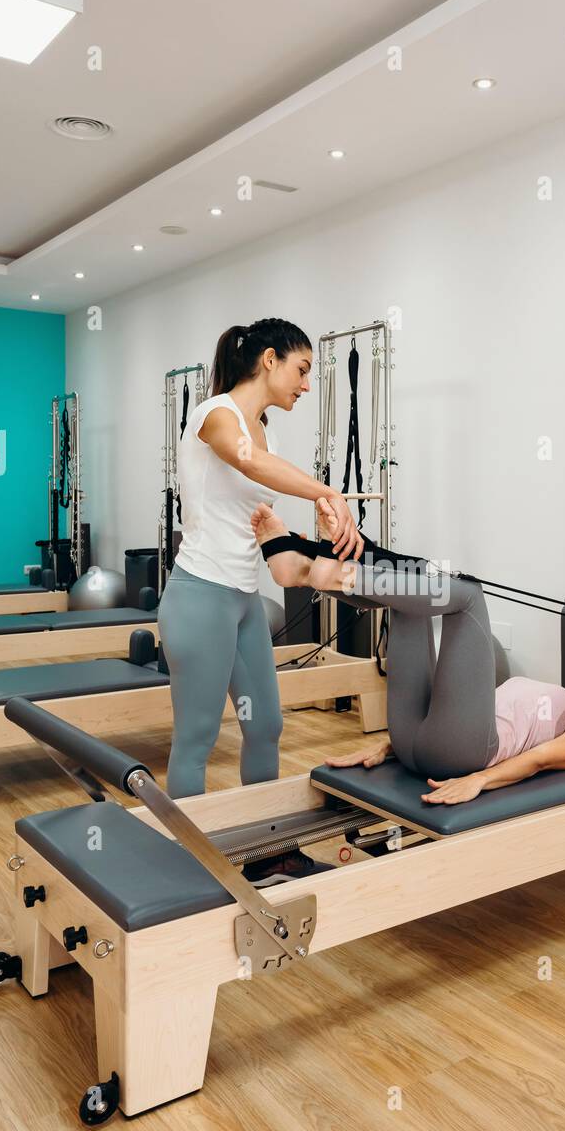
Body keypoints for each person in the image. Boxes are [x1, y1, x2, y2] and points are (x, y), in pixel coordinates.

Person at [251, 500, 565, 806]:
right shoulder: (549, 693)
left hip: (464, 756)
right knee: (415, 598)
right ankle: (309, 569)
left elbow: (538, 760)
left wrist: (479, 781)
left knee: (468, 596)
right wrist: (387, 748)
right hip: (409, 740)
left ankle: (340, 568)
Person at [158, 318, 364, 798]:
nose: (307, 385)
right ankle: (188, 861)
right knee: (198, 736)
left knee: (266, 725)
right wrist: (326, 492)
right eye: (302, 369)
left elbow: (263, 529)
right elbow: (247, 459)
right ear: (270, 360)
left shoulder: (270, 435)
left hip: (245, 599)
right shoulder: (215, 414)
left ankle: (265, 846)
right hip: (200, 597)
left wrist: (315, 538)